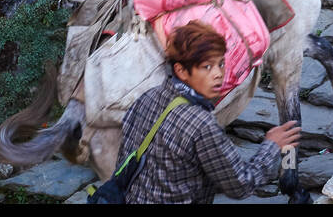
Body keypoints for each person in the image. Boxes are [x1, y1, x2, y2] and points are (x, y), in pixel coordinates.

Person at [120, 20, 300, 204]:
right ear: (181, 70)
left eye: (221, 64)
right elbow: (241, 185)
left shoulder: (147, 98)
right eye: (207, 67)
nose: (218, 74)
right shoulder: (201, 125)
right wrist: (271, 145)